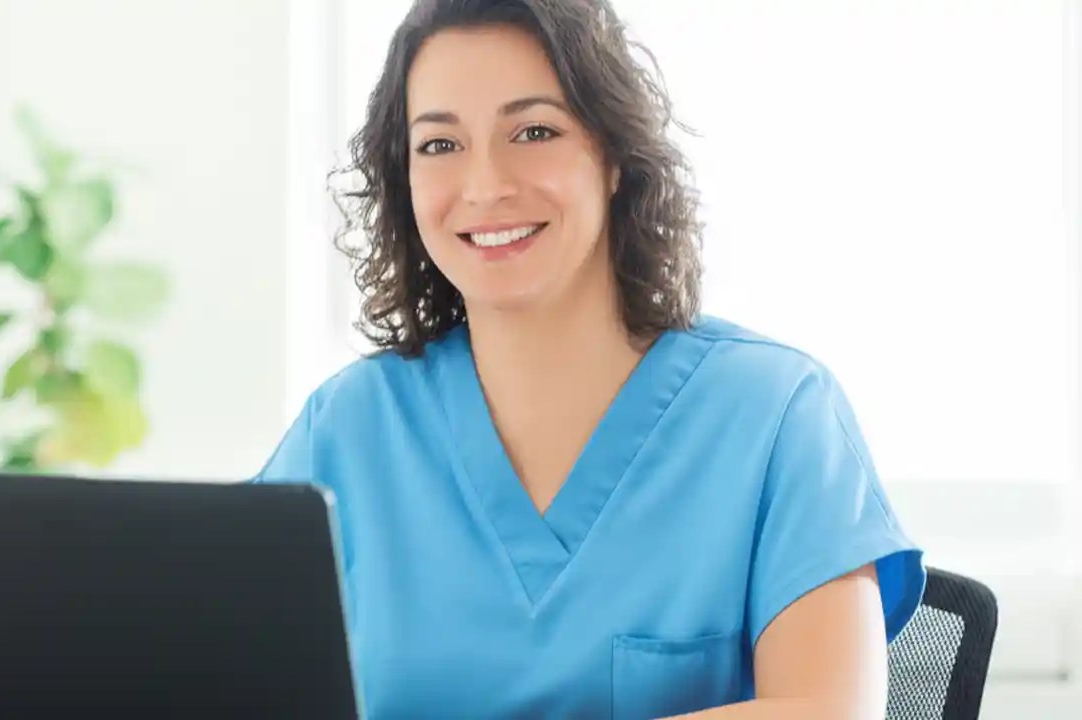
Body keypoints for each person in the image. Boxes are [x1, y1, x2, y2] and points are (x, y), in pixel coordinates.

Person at [255, 1, 925, 717]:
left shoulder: (774, 415)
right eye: (440, 145)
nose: (485, 185)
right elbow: (205, 673)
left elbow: (827, 710)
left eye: (534, 131)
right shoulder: (348, 429)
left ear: (613, 158)